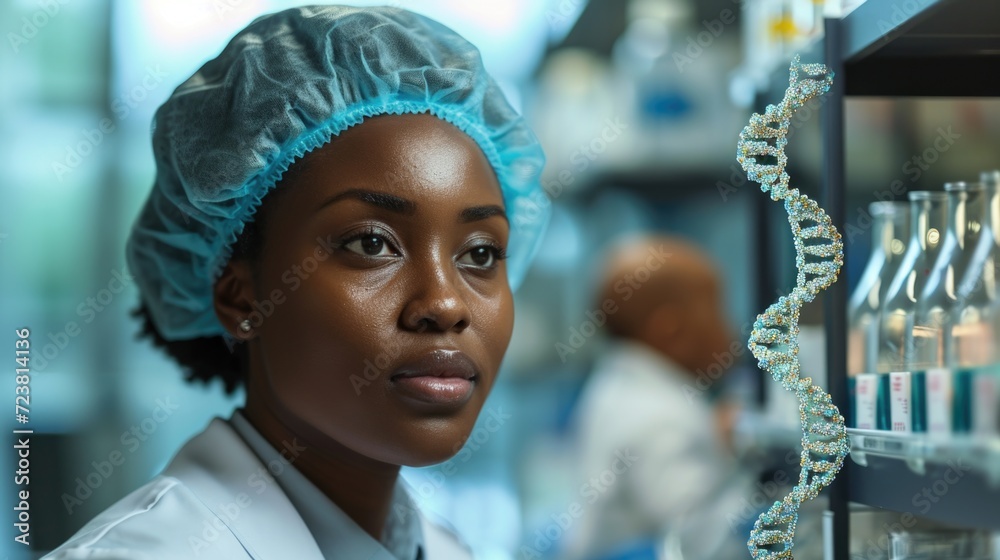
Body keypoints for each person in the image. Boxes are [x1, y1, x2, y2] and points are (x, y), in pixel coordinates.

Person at [43, 5, 551, 559]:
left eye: (480, 253)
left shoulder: (446, 548)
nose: (446, 303)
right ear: (241, 296)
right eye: (371, 243)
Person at [562, 235, 753, 560]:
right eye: (718, 311)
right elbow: (701, 537)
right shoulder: (661, 418)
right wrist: (743, 463)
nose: (731, 329)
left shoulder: (618, 385)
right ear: (671, 331)